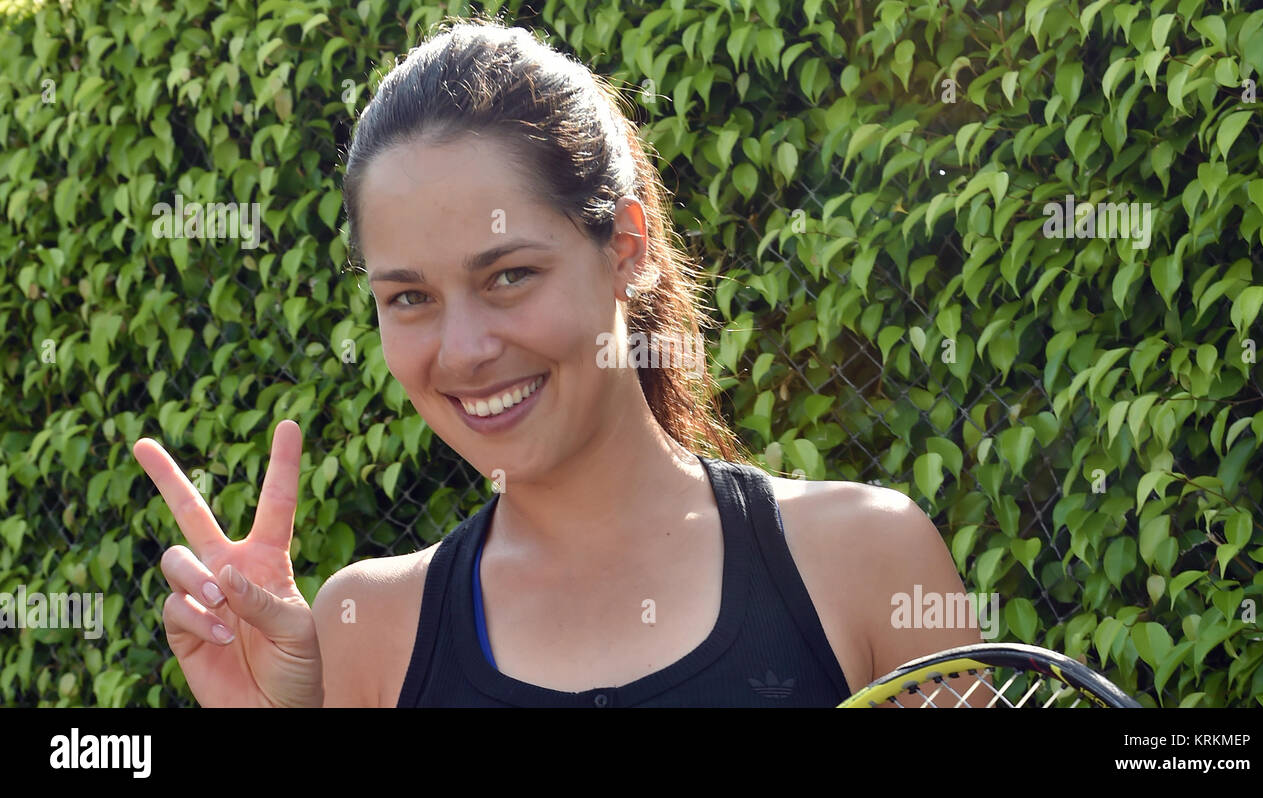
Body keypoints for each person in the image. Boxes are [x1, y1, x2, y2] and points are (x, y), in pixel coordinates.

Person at [132, 16, 982, 707]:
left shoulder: (867, 561)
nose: (464, 350)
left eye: (508, 275)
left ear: (626, 248)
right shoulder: (365, 627)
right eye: (409, 297)